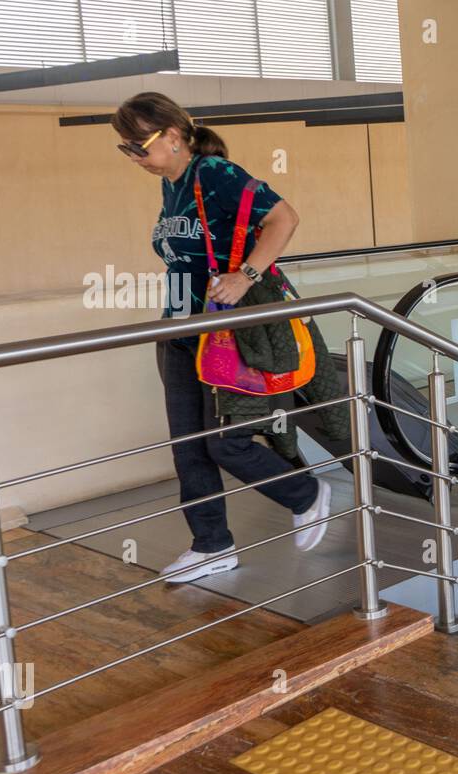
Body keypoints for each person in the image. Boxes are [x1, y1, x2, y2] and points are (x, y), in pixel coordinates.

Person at [113, 92, 333, 584]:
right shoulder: (170, 186)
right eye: (124, 150)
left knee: (224, 442)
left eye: (138, 146)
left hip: (222, 331)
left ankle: (303, 493)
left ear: (172, 136)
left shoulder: (213, 173)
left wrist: (245, 275)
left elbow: (284, 218)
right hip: (180, 331)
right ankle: (211, 545)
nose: (134, 158)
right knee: (189, 447)